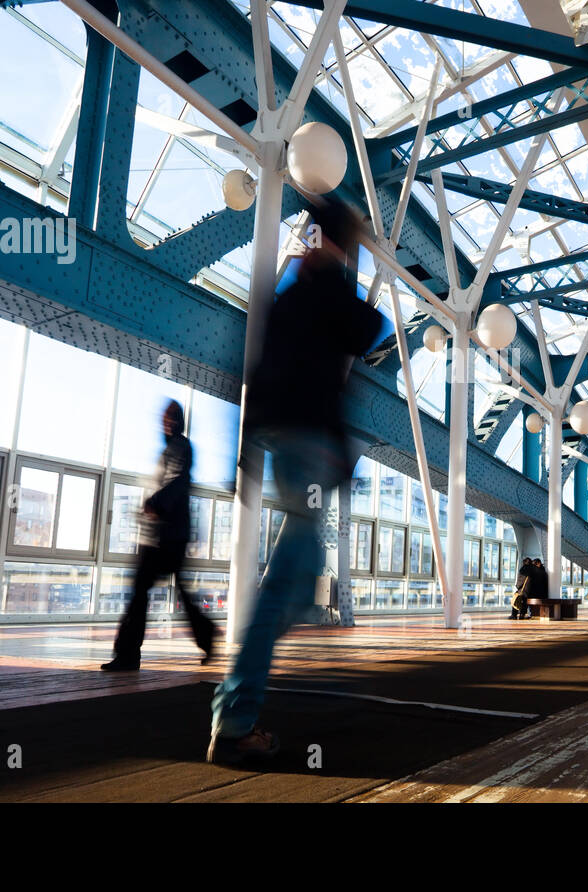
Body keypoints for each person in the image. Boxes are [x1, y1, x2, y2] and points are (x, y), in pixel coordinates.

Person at [208, 197, 384, 765]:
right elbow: (366, 330)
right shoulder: (328, 282)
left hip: (284, 442)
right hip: (310, 446)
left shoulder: (290, 289)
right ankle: (235, 717)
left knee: (299, 569)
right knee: (288, 581)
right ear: (344, 244)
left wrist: (249, 447)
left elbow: (259, 365)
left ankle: (252, 687)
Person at [102, 399, 215, 671]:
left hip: (164, 536)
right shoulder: (171, 448)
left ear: (179, 421)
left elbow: (178, 480)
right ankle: (207, 635)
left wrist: (154, 503)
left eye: (173, 417)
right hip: (164, 535)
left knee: (140, 592)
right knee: (173, 592)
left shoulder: (181, 446)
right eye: (166, 417)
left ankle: (128, 655)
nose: (168, 422)